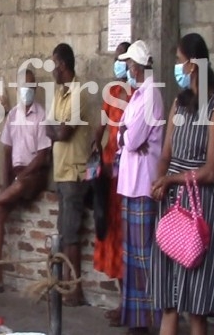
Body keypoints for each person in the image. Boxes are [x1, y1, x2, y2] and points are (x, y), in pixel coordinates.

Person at [149, 33, 214, 335]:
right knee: (169, 301)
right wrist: (160, 180)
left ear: (194, 65)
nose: (178, 67)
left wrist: (172, 179)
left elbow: (210, 170)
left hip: (198, 208)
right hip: (171, 205)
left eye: (181, 61)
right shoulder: (179, 104)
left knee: (196, 305)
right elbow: (166, 153)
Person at [0, 69, 51, 294]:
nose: (27, 91)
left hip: (34, 175)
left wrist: (22, 176)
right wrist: (5, 183)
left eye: (31, 87)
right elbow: (6, 151)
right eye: (24, 86)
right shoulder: (13, 115)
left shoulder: (42, 115)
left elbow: (43, 155)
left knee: (20, 185)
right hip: (16, 175)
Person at [115, 40, 163, 332]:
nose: (128, 69)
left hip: (144, 184)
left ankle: (151, 317)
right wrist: (126, 137)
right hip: (131, 183)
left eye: (130, 65)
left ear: (137, 66)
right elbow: (126, 135)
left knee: (145, 255)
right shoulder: (138, 96)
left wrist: (126, 137)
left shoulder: (151, 97)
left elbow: (131, 139)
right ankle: (137, 318)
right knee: (132, 254)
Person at [46, 43, 93, 306]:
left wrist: (55, 130)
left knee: (72, 234)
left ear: (62, 65)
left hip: (74, 173)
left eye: (53, 63)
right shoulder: (60, 93)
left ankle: (75, 290)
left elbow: (62, 133)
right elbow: (49, 128)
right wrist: (55, 130)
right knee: (63, 232)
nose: (52, 69)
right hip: (61, 172)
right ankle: (64, 283)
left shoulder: (78, 94)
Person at [92, 41, 132, 322]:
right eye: (116, 59)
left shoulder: (138, 95)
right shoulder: (112, 93)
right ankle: (123, 303)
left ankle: (130, 305)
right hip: (108, 174)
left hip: (127, 176)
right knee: (112, 237)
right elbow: (102, 127)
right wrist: (94, 151)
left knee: (129, 241)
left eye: (122, 59)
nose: (117, 64)